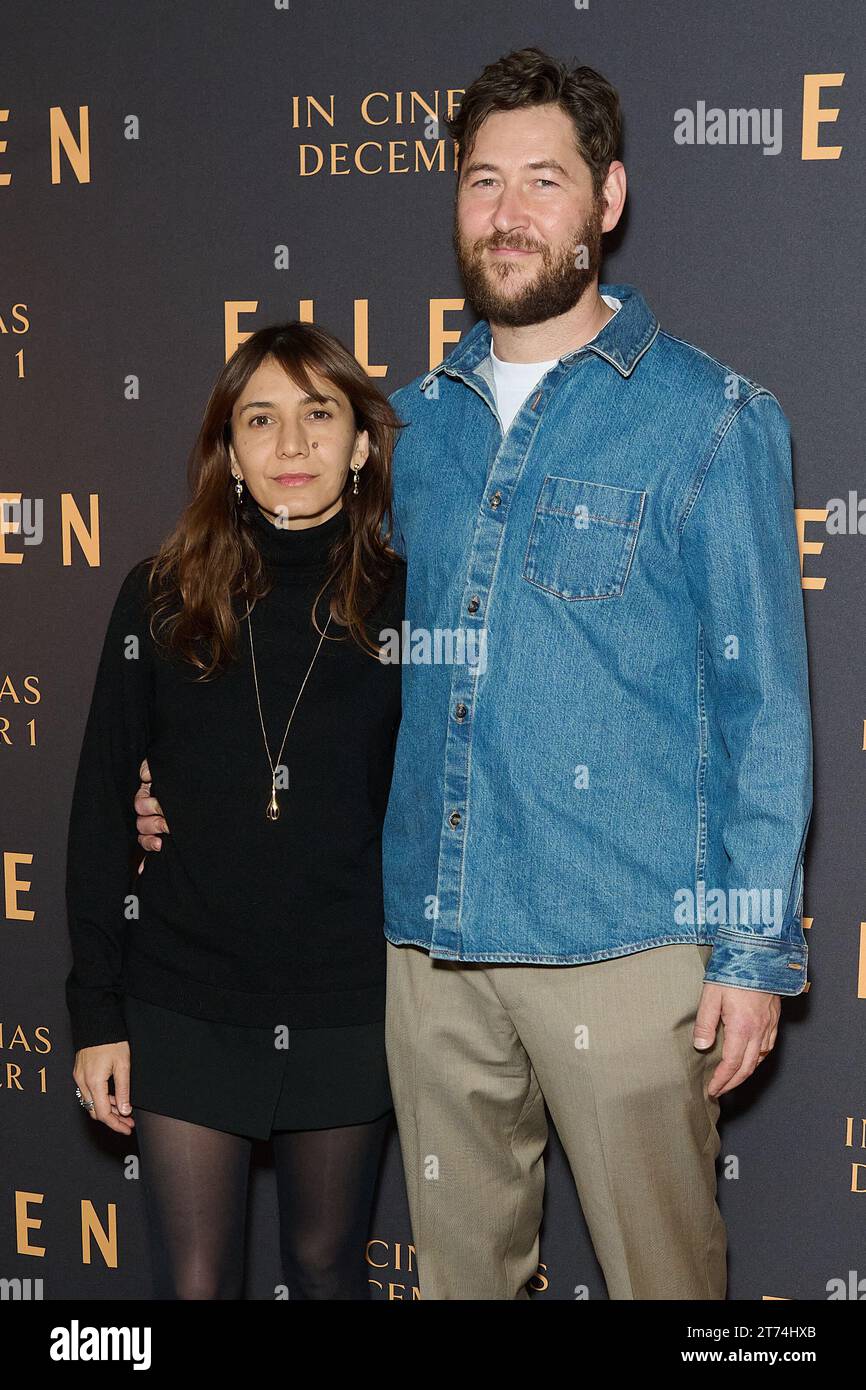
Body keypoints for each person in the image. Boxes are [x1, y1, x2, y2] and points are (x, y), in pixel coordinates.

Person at [135, 49, 813, 1302]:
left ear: (605, 200)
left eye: (541, 181)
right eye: (480, 181)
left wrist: (749, 955)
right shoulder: (402, 432)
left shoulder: (709, 418)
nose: (505, 212)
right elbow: (314, 646)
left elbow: (763, 705)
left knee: (667, 1285)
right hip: (428, 951)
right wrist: (186, 776)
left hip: (625, 942)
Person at [65, 321, 406, 1300]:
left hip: (346, 998)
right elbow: (98, 809)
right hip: (182, 996)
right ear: (228, 449)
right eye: (260, 419)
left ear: (359, 444)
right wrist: (97, 1013)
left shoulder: (406, 608)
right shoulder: (160, 597)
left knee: (323, 1268)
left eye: (317, 415)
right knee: (199, 1282)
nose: (290, 445)